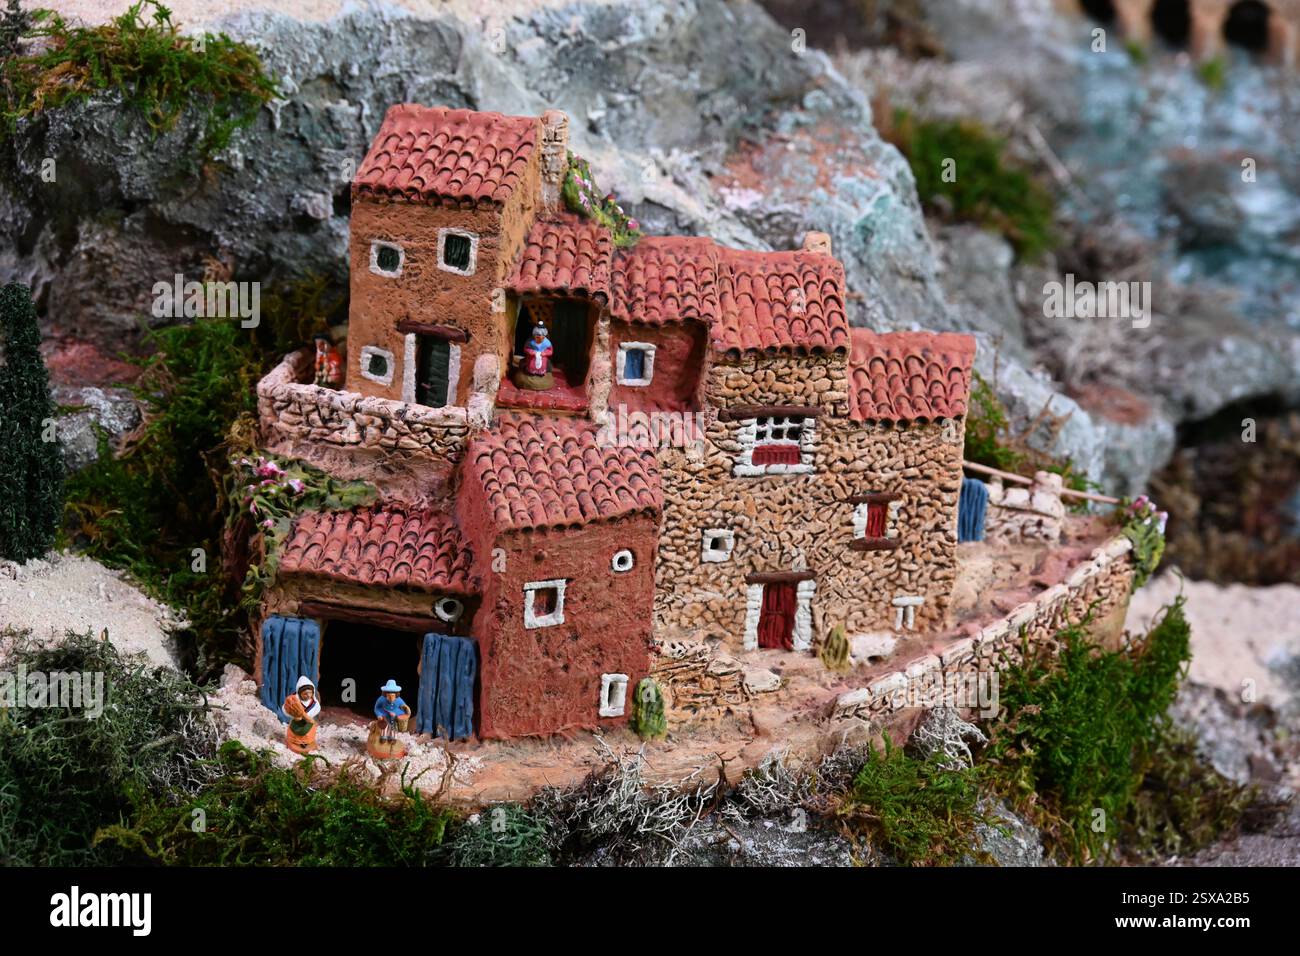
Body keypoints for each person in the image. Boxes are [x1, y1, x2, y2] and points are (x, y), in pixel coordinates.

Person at [283, 675, 321, 754]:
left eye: (310, 693)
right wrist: (295, 715)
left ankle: (307, 743)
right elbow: (285, 709)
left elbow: (317, 709)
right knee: (295, 734)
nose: (308, 696)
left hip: (308, 724)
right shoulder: (293, 700)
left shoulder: (313, 703)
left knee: (309, 734)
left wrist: (306, 716)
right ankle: (295, 743)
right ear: (300, 693)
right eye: (305, 694)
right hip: (296, 724)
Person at [513, 323, 554, 390]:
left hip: (542, 357)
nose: (540, 338)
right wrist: (532, 352)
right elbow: (526, 349)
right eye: (537, 337)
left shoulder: (547, 343)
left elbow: (550, 351)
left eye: (542, 337)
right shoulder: (530, 342)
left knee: (543, 365)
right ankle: (531, 372)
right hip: (532, 357)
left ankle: (541, 373)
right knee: (531, 364)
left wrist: (544, 353)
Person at [373, 679, 411, 743]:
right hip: (385, 716)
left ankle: (393, 738)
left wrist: (397, 713)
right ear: (385, 693)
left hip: (394, 718)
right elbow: (377, 708)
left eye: (393, 695)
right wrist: (379, 715)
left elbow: (403, 708)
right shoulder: (381, 699)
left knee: (393, 728)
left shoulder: (399, 700)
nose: (391, 698)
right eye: (388, 695)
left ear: (396, 694)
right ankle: (383, 737)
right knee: (384, 726)